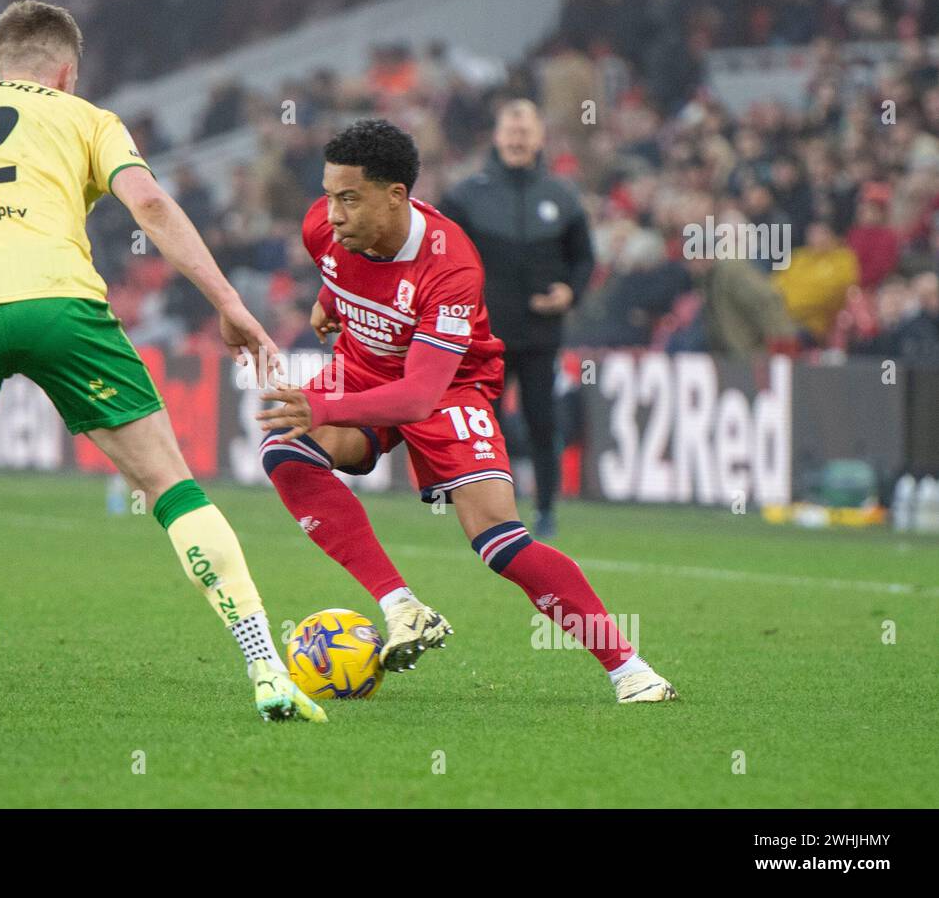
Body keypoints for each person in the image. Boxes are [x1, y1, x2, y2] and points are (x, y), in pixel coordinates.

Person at [0, 0, 324, 723]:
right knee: (168, 483)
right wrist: (230, 304)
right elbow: (149, 203)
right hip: (62, 307)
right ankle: (266, 666)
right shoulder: (87, 117)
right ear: (68, 72)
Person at [257, 119, 677, 704]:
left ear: (396, 195)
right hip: (363, 367)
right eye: (328, 195)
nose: (332, 213)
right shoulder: (323, 228)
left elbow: (419, 395)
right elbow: (340, 269)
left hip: (449, 386)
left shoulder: (450, 265)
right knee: (285, 453)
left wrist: (322, 403)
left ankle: (630, 670)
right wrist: (328, 302)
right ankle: (401, 606)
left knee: (499, 542)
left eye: (349, 198)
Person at [441, 100, 594, 537]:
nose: (517, 137)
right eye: (510, 130)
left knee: (542, 422)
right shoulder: (466, 194)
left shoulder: (562, 196)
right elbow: (441, 254)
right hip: (483, 336)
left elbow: (583, 259)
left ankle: (545, 509)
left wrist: (570, 292)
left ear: (540, 137)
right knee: (482, 424)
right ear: (497, 136)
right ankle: (486, 510)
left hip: (541, 335)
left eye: (525, 130)